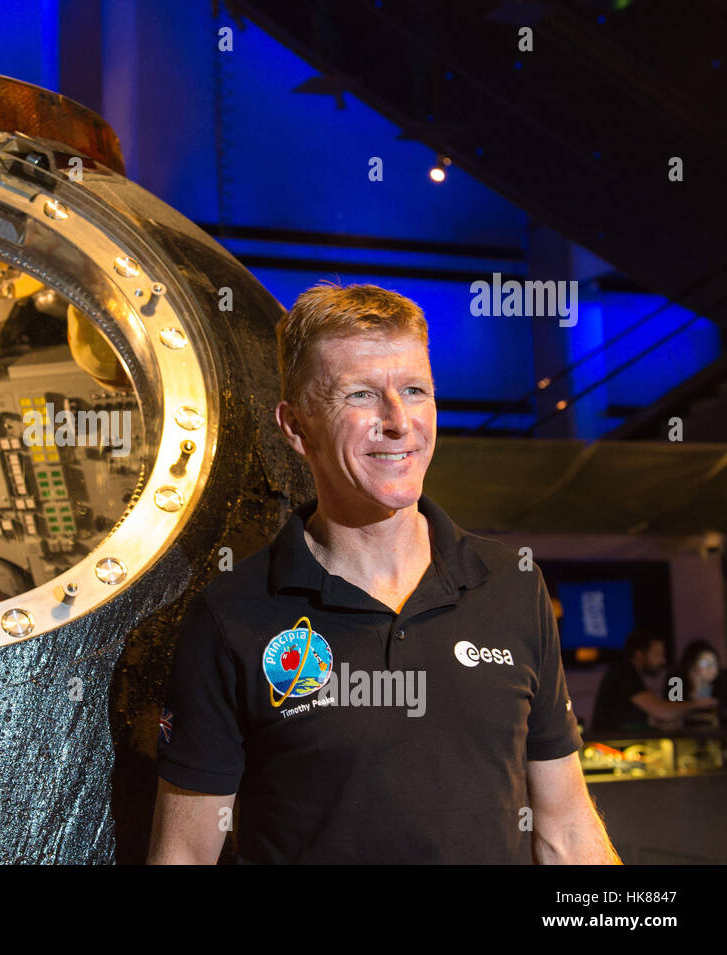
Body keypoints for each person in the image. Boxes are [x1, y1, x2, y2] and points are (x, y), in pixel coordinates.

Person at [148, 280, 619, 864]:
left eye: (415, 390)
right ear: (296, 427)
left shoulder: (512, 585)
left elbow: (566, 830)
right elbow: (185, 854)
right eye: (361, 395)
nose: (398, 422)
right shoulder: (232, 615)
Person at [589, 630, 718, 733]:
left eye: (713, 663)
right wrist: (697, 704)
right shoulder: (625, 674)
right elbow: (665, 711)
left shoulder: (627, 673)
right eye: (657, 654)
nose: (662, 661)